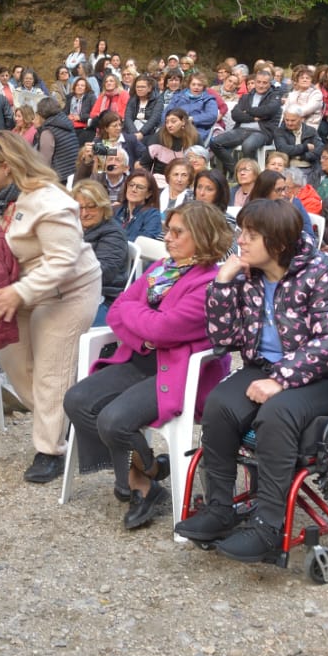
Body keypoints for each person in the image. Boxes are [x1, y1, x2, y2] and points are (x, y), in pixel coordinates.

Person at [173, 199, 328, 560]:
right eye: (242, 232)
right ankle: (219, 508)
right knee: (220, 404)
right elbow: (225, 340)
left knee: (277, 414)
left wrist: (283, 379)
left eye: (250, 235)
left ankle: (268, 525)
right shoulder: (247, 275)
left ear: (276, 243)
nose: (240, 241)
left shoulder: (323, 272)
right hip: (266, 368)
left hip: (324, 375)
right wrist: (223, 285)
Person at [65, 202, 233, 529]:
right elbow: (118, 310)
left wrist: (146, 324)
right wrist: (145, 335)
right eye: (168, 230)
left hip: (181, 373)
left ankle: (141, 485)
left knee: (114, 420)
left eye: (177, 232)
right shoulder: (163, 269)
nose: (167, 238)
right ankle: (147, 472)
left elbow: (164, 329)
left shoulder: (209, 283)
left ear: (202, 237)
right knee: (77, 401)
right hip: (142, 357)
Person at [0, 131, 103, 484]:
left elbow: (62, 260)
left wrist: (19, 292)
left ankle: (50, 451)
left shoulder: (51, 202)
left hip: (67, 291)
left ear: (6, 165)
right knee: (14, 363)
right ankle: (75, 416)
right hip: (19, 288)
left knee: (52, 371)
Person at [72, 179, 129, 325]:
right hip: (76, 290)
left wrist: (63, 275)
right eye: (80, 208)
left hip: (102, 296)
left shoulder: (113, 233)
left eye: (91, 207)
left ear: (103, 207)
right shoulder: (75, 228)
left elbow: (103, 272)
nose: (84, 213)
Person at [211, 69, 281, 176]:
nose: (261, 85)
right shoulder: (246, 97)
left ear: (269, 83)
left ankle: (253, 175)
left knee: (248, 146)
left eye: (264, 83)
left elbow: (269, 110)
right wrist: (254, 117)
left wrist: (248, 110)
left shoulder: (274, 96)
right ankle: (236, 171)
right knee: (215, 142)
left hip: (262, 132)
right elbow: (235, 114)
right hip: (241, 129)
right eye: (258, 82)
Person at [33, 96, 80, 182]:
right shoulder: (65, 123)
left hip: (60, 178)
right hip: (74, 174)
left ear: (42, 114)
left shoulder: (48, 131)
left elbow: (44, 162)